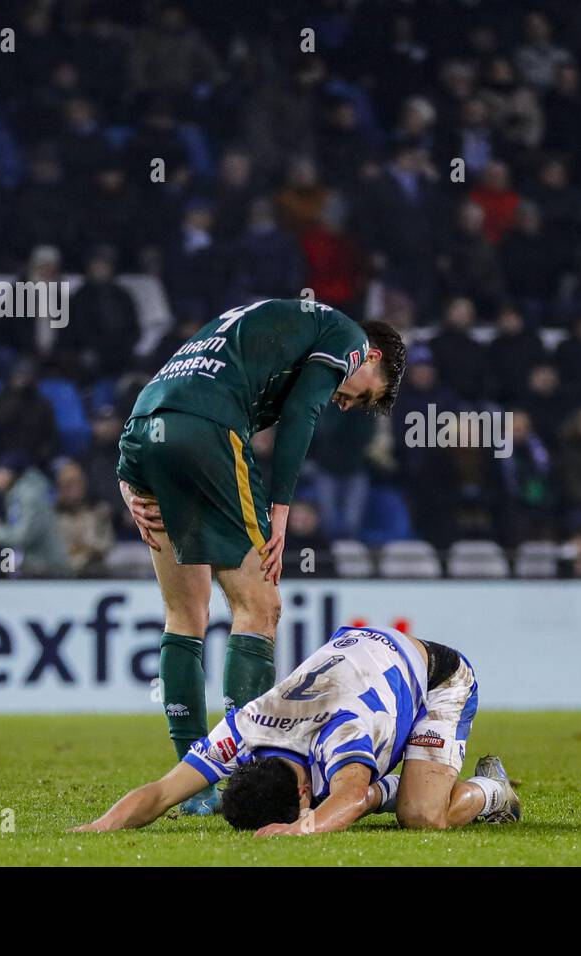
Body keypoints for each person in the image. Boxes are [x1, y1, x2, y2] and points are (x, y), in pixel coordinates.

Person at [117, 298, 405, 815]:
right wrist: (282, 508)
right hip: (207, 430)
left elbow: (169, 380)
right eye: (365, 397)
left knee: (185, 615)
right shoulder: (348, 337)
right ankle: (242, 770)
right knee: (261, 607)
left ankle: (194, 787)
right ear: (373, 356)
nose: (349, 403)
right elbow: (302, 412)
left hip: (145, 428)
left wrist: (127, 474)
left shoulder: (265, 322)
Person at [70, 624, 519, 835]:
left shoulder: (343, 732)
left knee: (421, 817)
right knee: (357, 792)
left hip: (438, 679)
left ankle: (494, 789)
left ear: (303, 795)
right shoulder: (244, 728)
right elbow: (162, 792)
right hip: (369, 660)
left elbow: (345, 797)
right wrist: (103, 824)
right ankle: (393, 786)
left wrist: (300, 830)